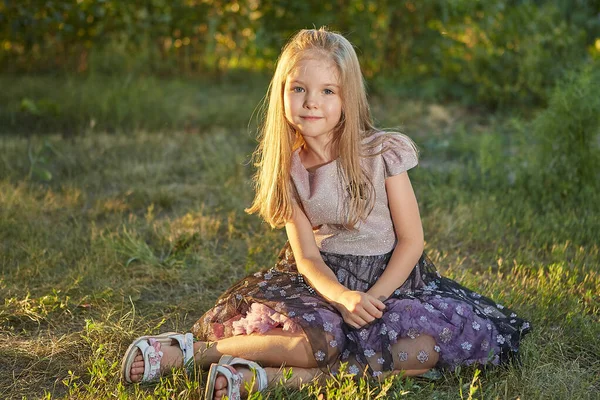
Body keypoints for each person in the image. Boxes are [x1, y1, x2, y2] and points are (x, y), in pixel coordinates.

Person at [120, 27, 531, 399]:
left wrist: (371, 299)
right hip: (322, 281)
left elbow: (412, 240)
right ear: (281, 93)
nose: (311, 102)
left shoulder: (381, 153)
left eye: (327, 92)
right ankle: (190, 353)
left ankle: (259, 379)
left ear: (347, 98)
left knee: (421, 351)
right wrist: (341, 296)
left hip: (391, 282)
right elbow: (308, 257)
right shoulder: (289, 169)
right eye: (298, 89)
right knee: (317, 341)